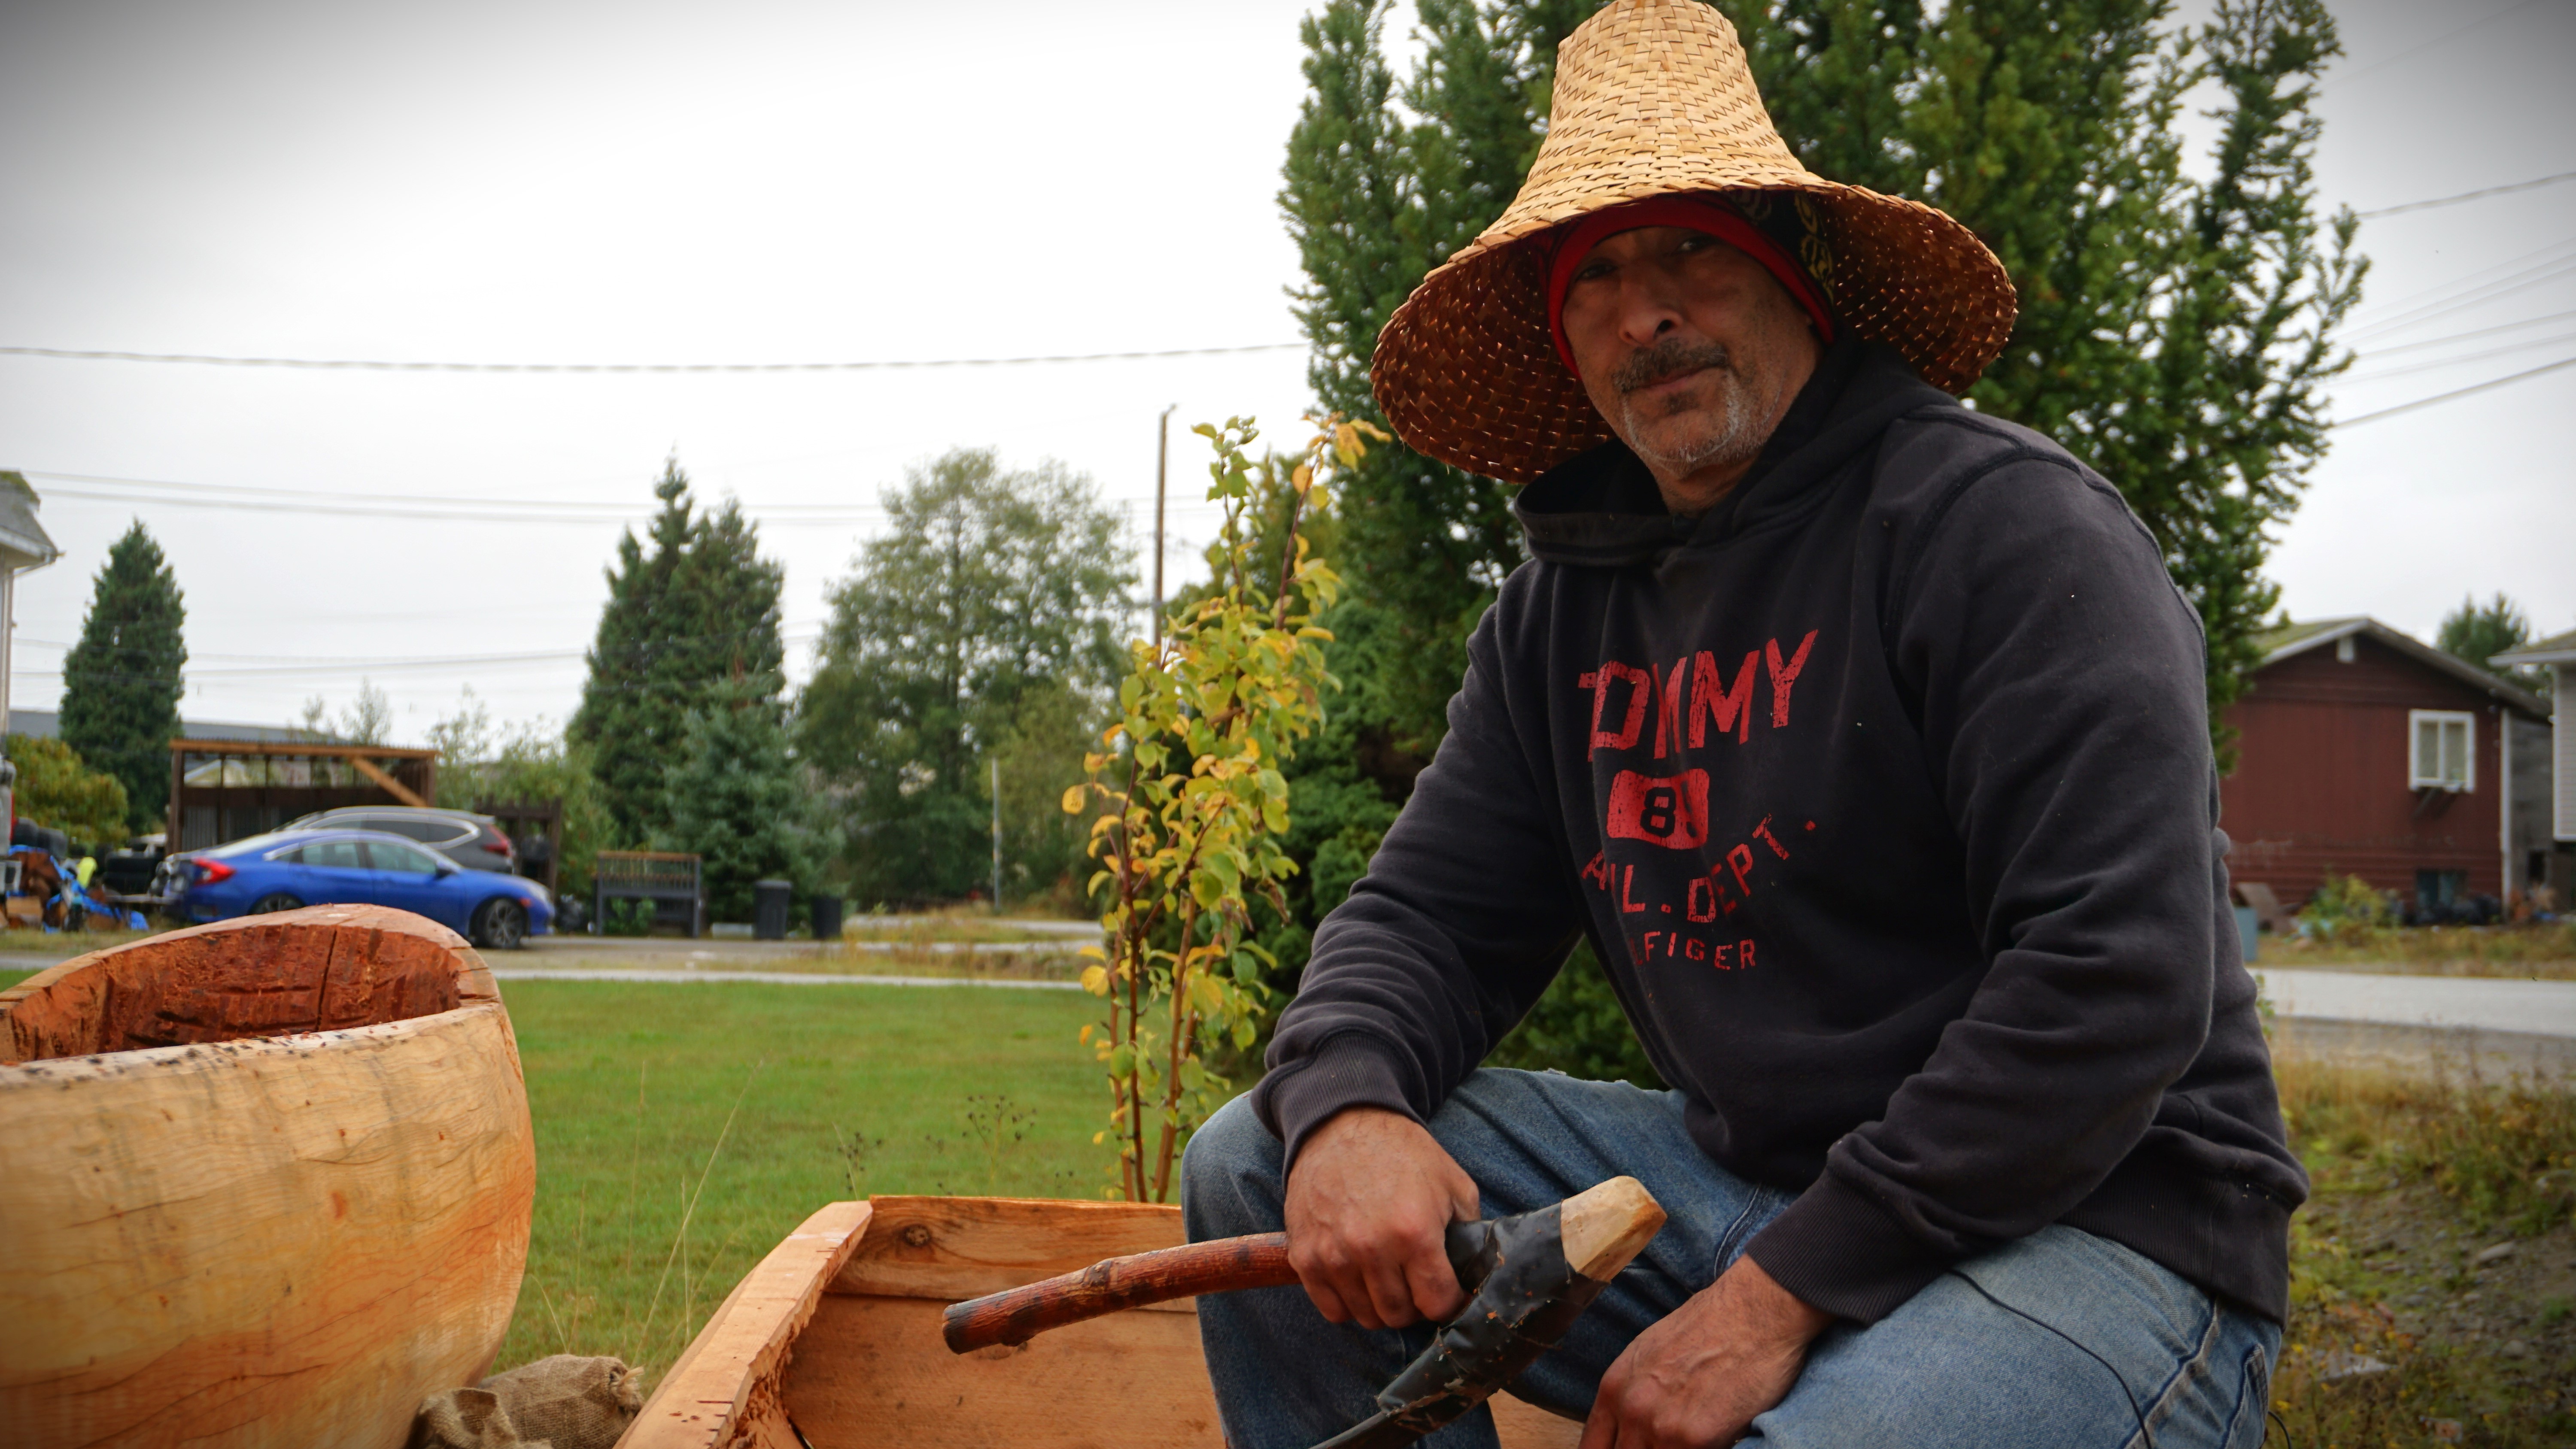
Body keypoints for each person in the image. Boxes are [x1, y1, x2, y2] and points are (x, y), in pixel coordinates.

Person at [1180, 3, 2304, 1446]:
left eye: (1690, 250)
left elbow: (2115, 980)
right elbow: (1428, 921)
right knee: (1259, 1163)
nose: (1644, 312)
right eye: (1595, 280)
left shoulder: (2003, 533)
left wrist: (1777, 1301)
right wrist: (1345, 1110)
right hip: (1751, 1191)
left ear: (1796, 280)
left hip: (2101, 1226)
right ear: (1564, 344)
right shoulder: (1560, 617)